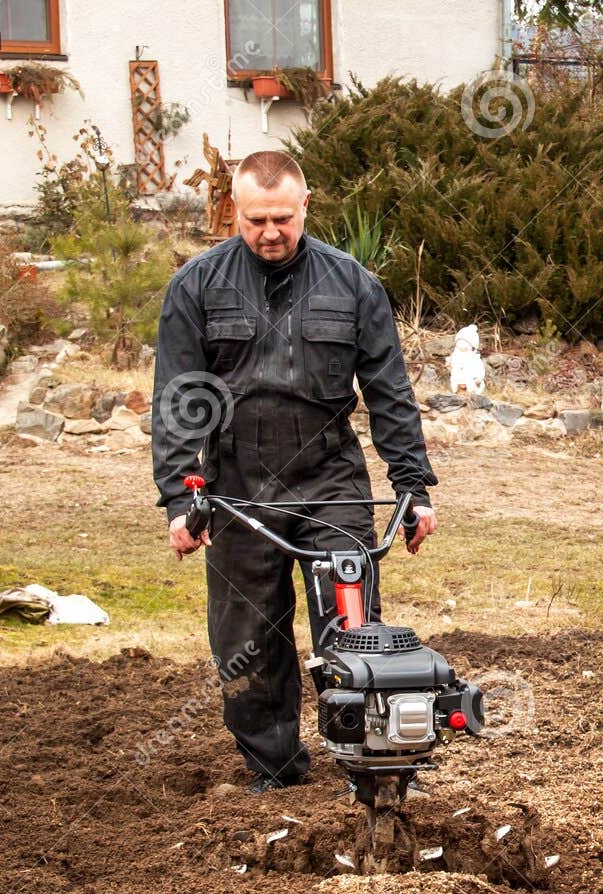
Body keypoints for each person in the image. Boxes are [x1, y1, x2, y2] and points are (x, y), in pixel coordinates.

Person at [151, 150, 438, 793]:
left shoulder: (353, 284)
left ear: (306, 206)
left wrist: (413, 488)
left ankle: (374, 767)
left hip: (328, 479)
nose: (270, 232)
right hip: (237, 486)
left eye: (282, 218)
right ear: (234, 211)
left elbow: (390, 392)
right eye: (255, 220)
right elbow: (178, 398)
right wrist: (179, 495)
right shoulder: (196, 287)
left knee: (354, 627)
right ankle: (274, 769)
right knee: (246, 640)